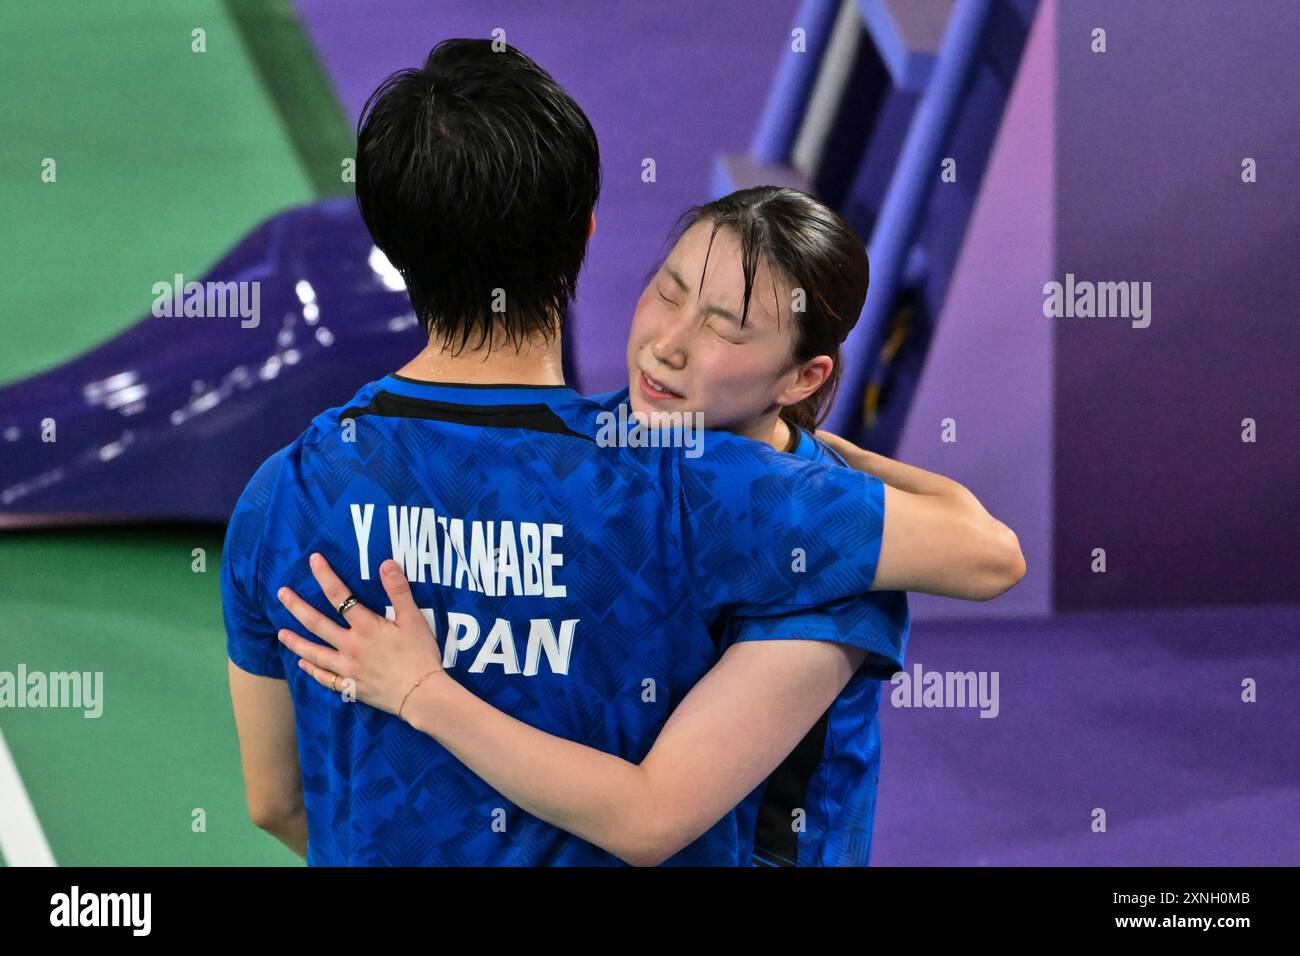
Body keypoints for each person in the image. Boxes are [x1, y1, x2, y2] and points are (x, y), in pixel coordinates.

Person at [225, 39, 1024, 866]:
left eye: (724, 323)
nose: (674, 345)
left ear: (387, 246)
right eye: (671, 292)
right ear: (588, 234)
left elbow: (276, 802)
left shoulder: (280, 494)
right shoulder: (713, 491)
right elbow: (983, 550)